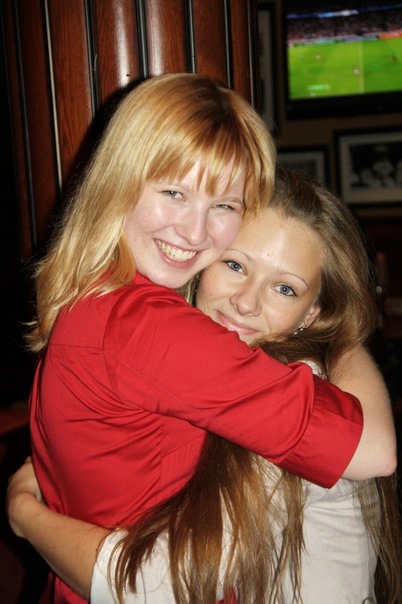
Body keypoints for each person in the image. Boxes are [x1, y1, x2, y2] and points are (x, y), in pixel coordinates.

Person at [18, 72, 396, 604]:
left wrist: (28, 513)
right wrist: (343, 339)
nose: (195, 233)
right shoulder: (148, 325)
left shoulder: (95, 298)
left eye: (223, 206)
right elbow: (373, 449)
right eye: (174, 192)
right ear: (120, 180)